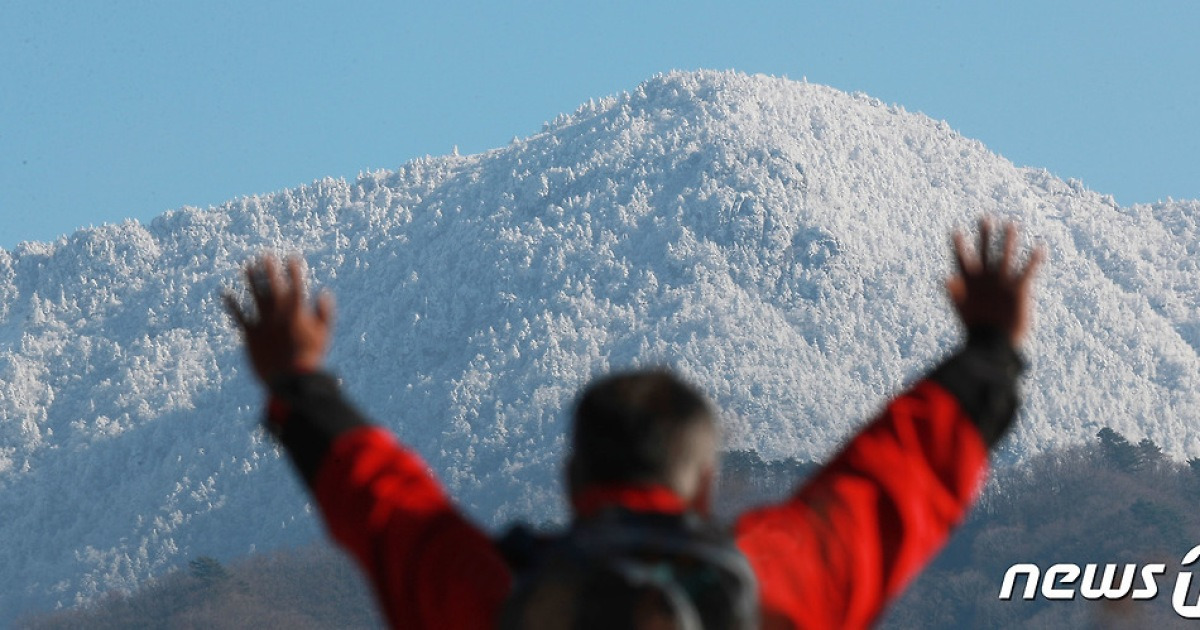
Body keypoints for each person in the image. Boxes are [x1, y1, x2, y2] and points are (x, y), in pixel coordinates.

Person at [225, 218, 1042, 629]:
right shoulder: (766, 594)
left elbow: (386, 508)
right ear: (706, 483)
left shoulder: (503, 601)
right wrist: (990, 355)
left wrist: (297, 382)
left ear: (572, 478)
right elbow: (890, 484)